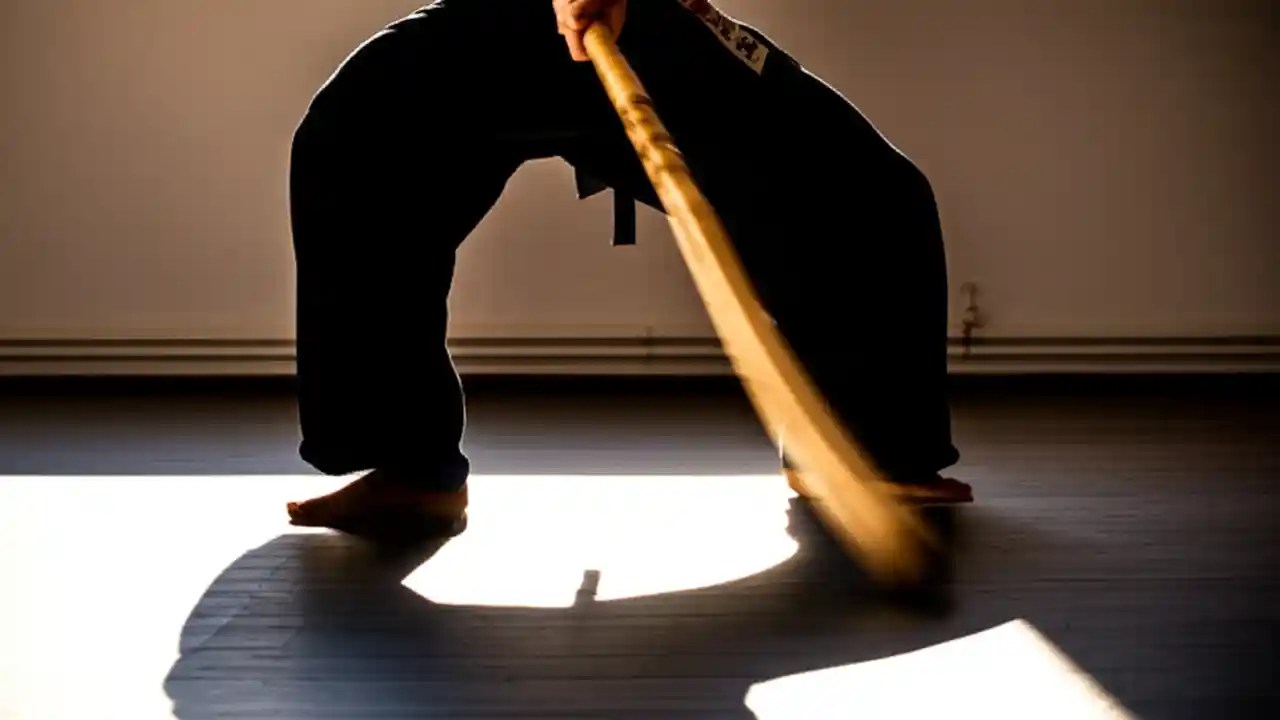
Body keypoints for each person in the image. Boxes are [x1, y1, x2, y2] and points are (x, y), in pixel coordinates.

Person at [285, 0, 964, 536]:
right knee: (353, 132)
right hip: (493, 20)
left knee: (870, 194)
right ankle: (408, 458)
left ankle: (864, 446)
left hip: (645, 16)